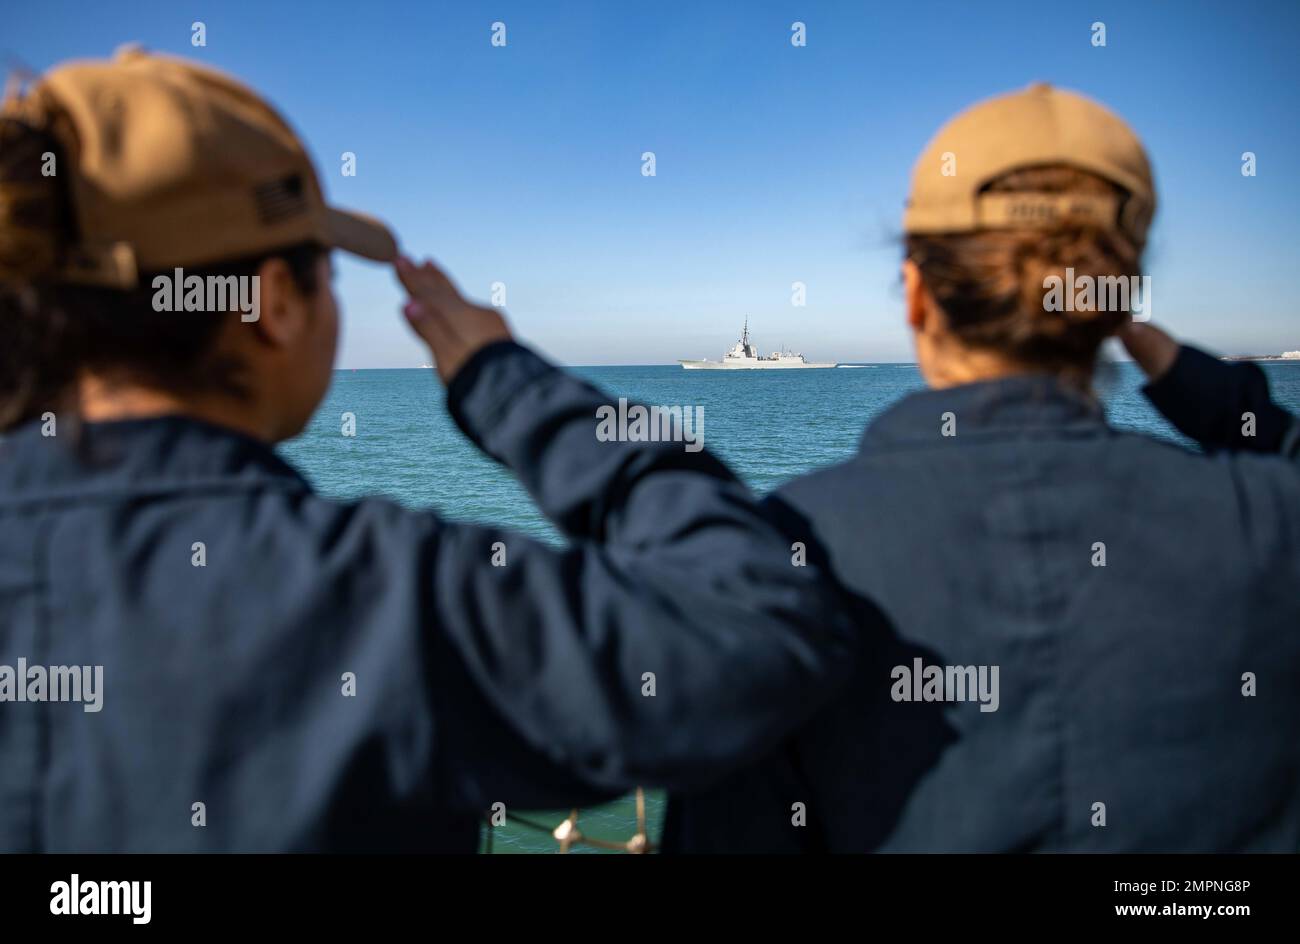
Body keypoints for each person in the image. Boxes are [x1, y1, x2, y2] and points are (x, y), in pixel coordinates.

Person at [0, 48, 862, 852]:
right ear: (273, 304)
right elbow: (756, 629)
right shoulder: (378, 601)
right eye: (327, 274)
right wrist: (505, 383)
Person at [663, 84, 1300, 853]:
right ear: (1117, 304)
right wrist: (1221, 398)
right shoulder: (1270, 521)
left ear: (917, 296)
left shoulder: (776, 554)